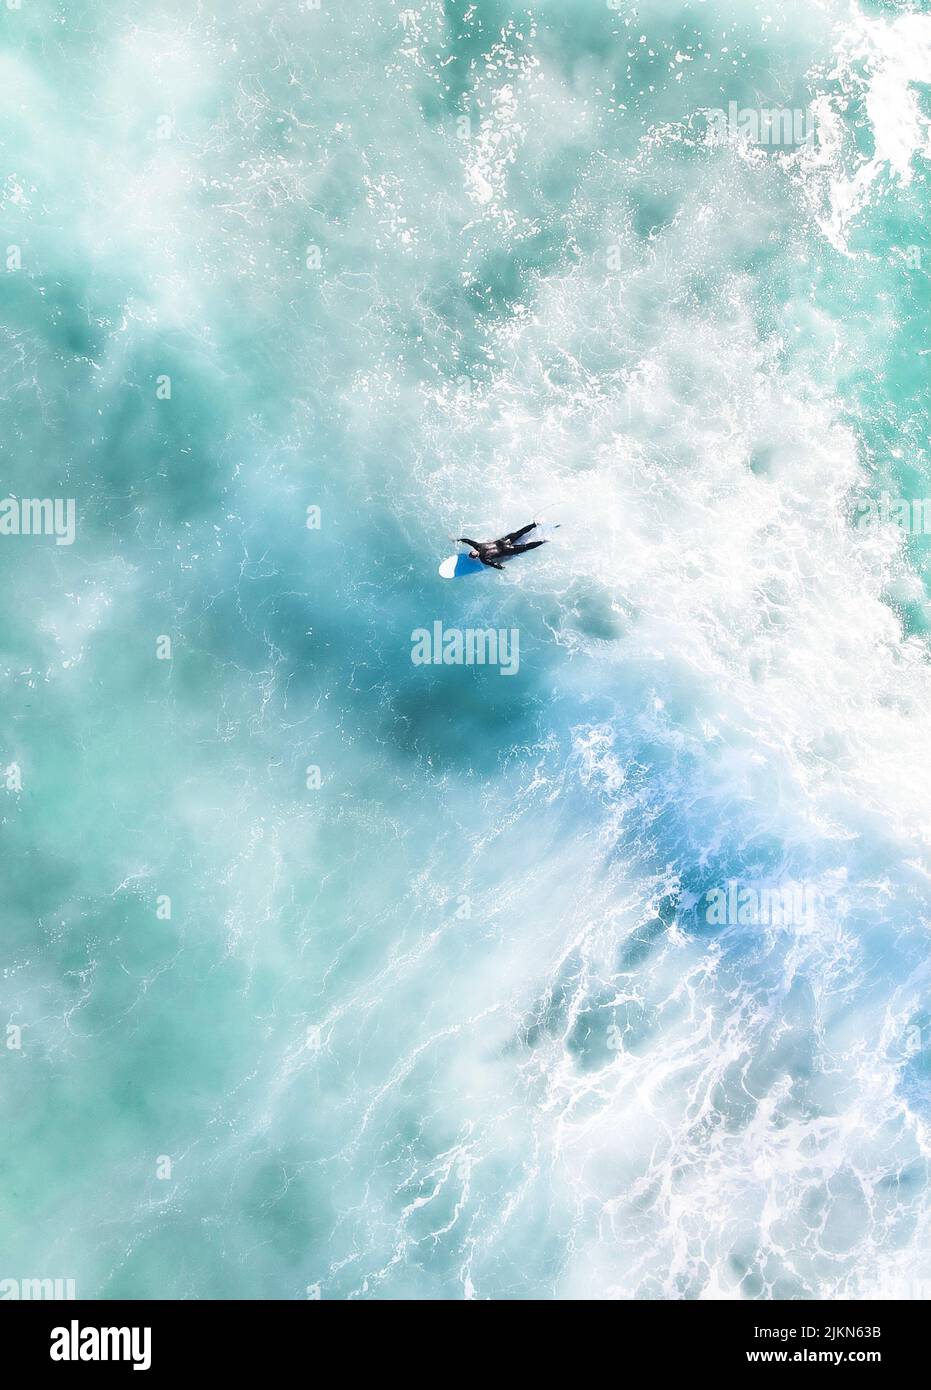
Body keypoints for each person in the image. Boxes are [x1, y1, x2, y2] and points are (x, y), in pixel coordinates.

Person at [457, 521, 547, 571]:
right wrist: (457, 540)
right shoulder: (477, 545)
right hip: (502, 541)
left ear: (476, 557)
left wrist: (502, 568)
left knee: (526, 547)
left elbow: (495, 564)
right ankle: (534, 524)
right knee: (519, 533)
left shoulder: (484, 559)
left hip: (507, 550)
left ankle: (543, 541)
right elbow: (467, 540)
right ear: (474, 551)